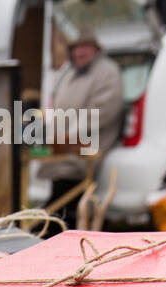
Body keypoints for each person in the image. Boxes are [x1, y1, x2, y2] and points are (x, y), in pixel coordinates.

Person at [42, 26, 124, 230]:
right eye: (75, 48)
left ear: (95, 49)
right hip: (63, 152)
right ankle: (46, 230)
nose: (79, 53)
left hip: (86, 151)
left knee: (62, 201)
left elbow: (101, 113)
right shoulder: (70, 73)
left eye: (84, 48)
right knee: (58, 197)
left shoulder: (107, 72)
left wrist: (69, 137)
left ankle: (45, 232)